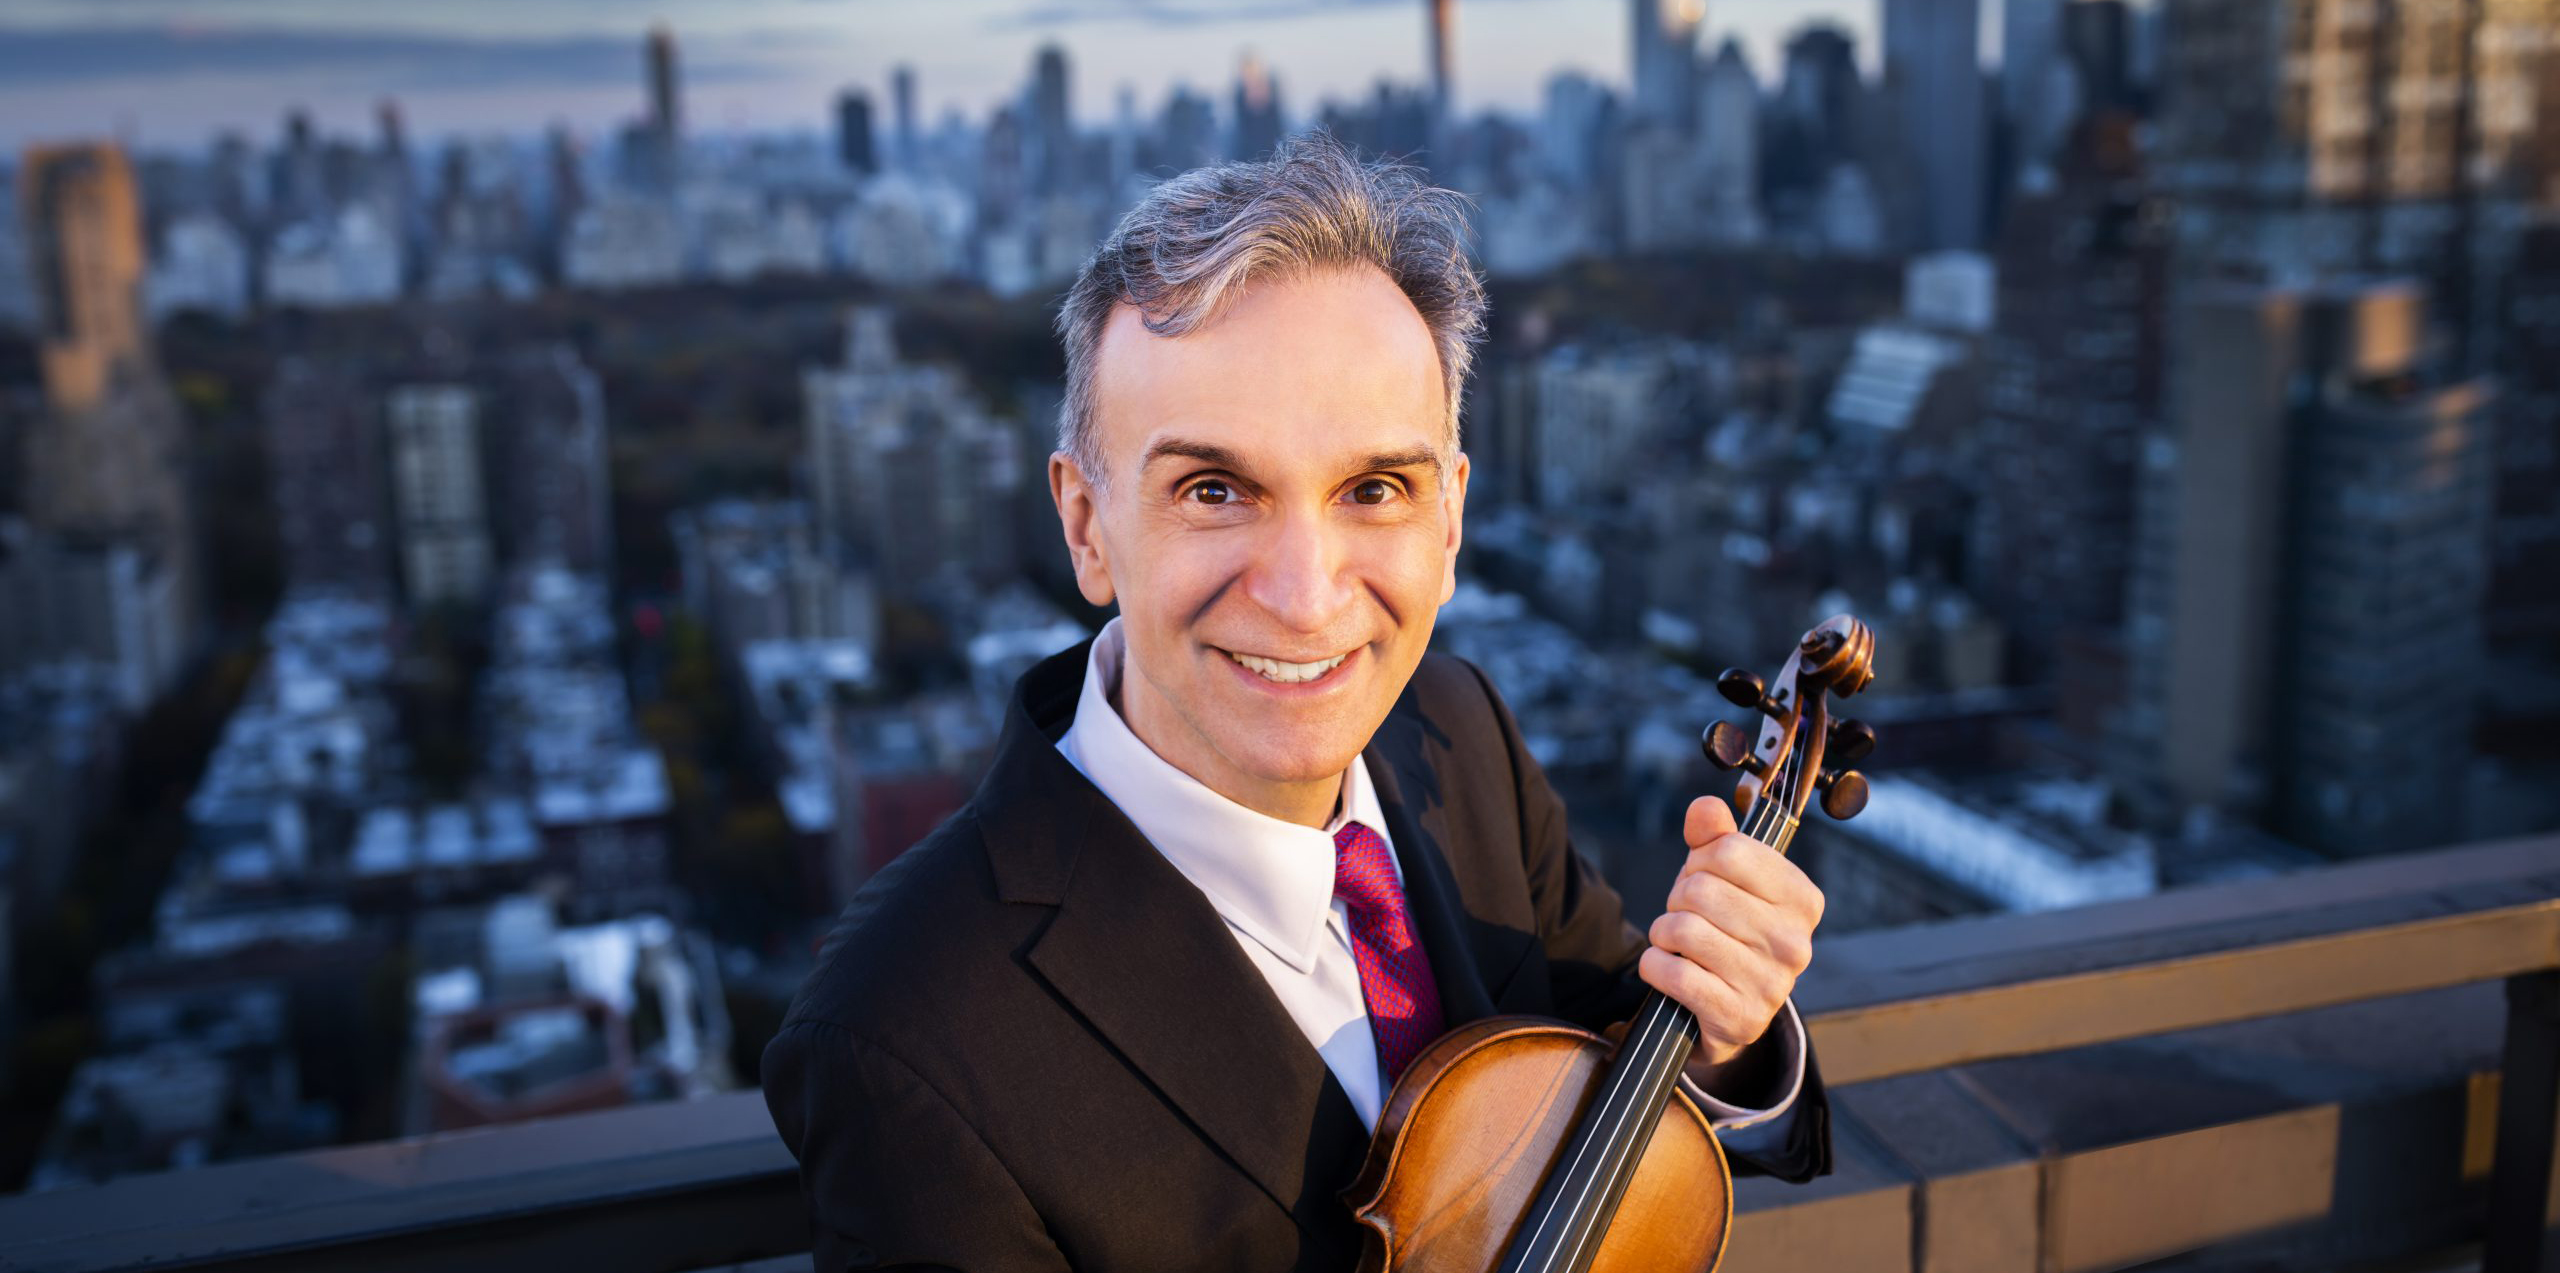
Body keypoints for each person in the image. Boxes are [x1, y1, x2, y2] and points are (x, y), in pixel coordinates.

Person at [762, 132, 1832, 1272]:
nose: (1305, 595)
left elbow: (1616, 1038)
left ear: (1450, 521)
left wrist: (1724, 1034)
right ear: (1086, 526)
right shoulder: (900, 1034)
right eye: (1214, 490)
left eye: (1374, 488)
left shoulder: (1458, 729)